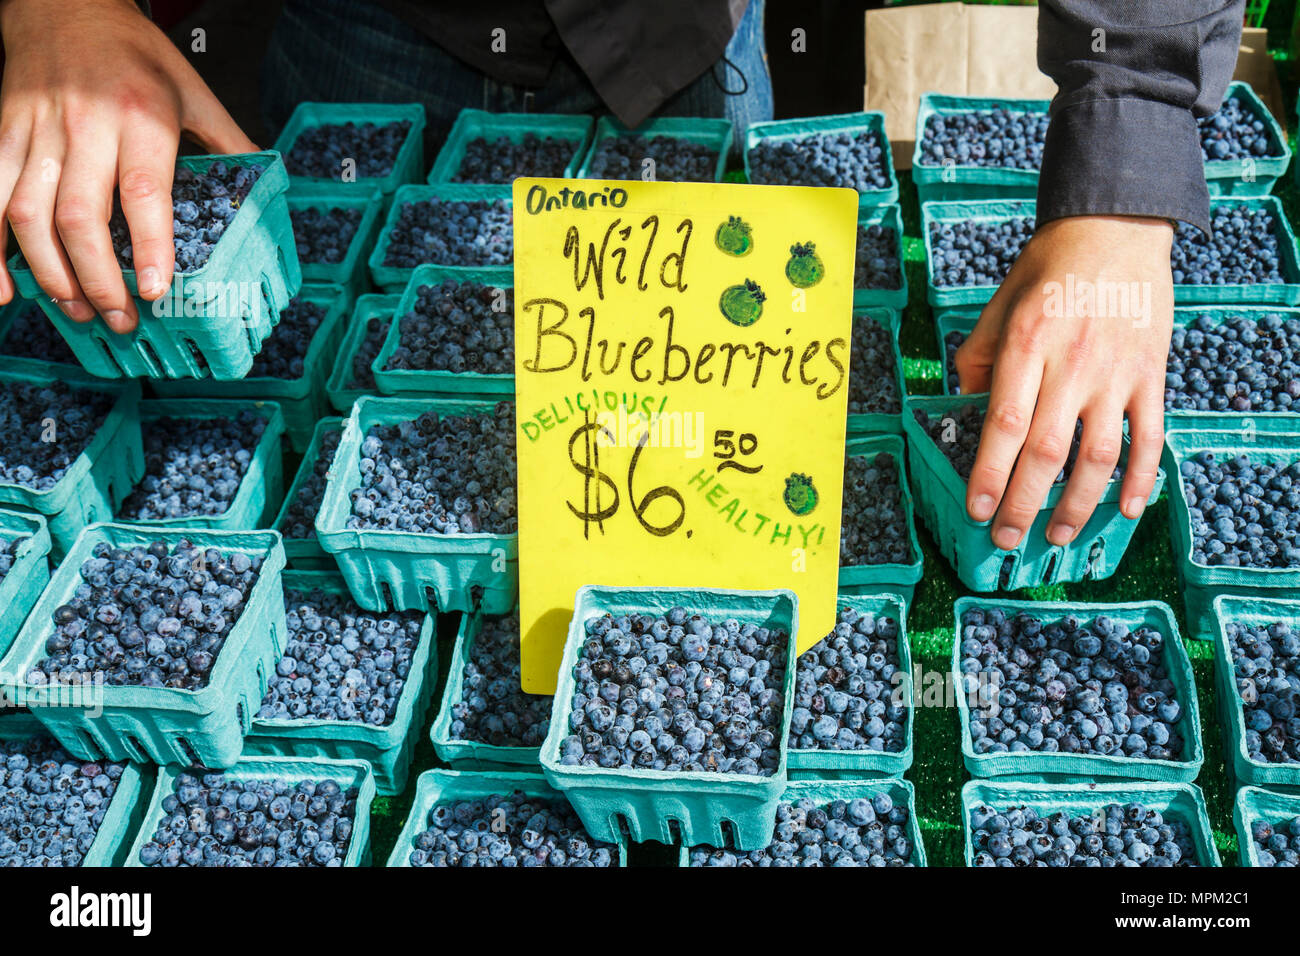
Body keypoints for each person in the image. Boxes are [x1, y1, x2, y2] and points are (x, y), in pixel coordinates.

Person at [0, 0, 1248, 549]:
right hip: (373, 35)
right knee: (317, 442)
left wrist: (1128, 159)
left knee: (704, 461)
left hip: (678, 39)